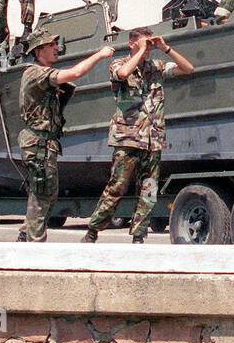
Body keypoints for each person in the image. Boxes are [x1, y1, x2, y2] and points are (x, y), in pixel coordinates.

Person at [83, 27, 194, 243]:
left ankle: (139, 234)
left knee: (149, 189)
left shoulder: (156, 67)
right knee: (118, 186)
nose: (148, 49)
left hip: (153, 139)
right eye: (144, 44)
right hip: (128, 138)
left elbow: (188, 69)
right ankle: (93, 230)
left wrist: (166, 48)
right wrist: (140, 50)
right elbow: (123, 74)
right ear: (132, 44)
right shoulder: (118, 64)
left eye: (149, 45)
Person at [16, 28, 114, 242]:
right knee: (42, 194)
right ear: (39, 50)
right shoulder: (35, 72)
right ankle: (33, 246)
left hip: (44, 143)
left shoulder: (42, 75)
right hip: (38, 142)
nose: (56, 49)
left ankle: (25, 234)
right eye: (51, 45)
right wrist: (100, 54)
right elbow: (75, 73)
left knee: (46, 194)